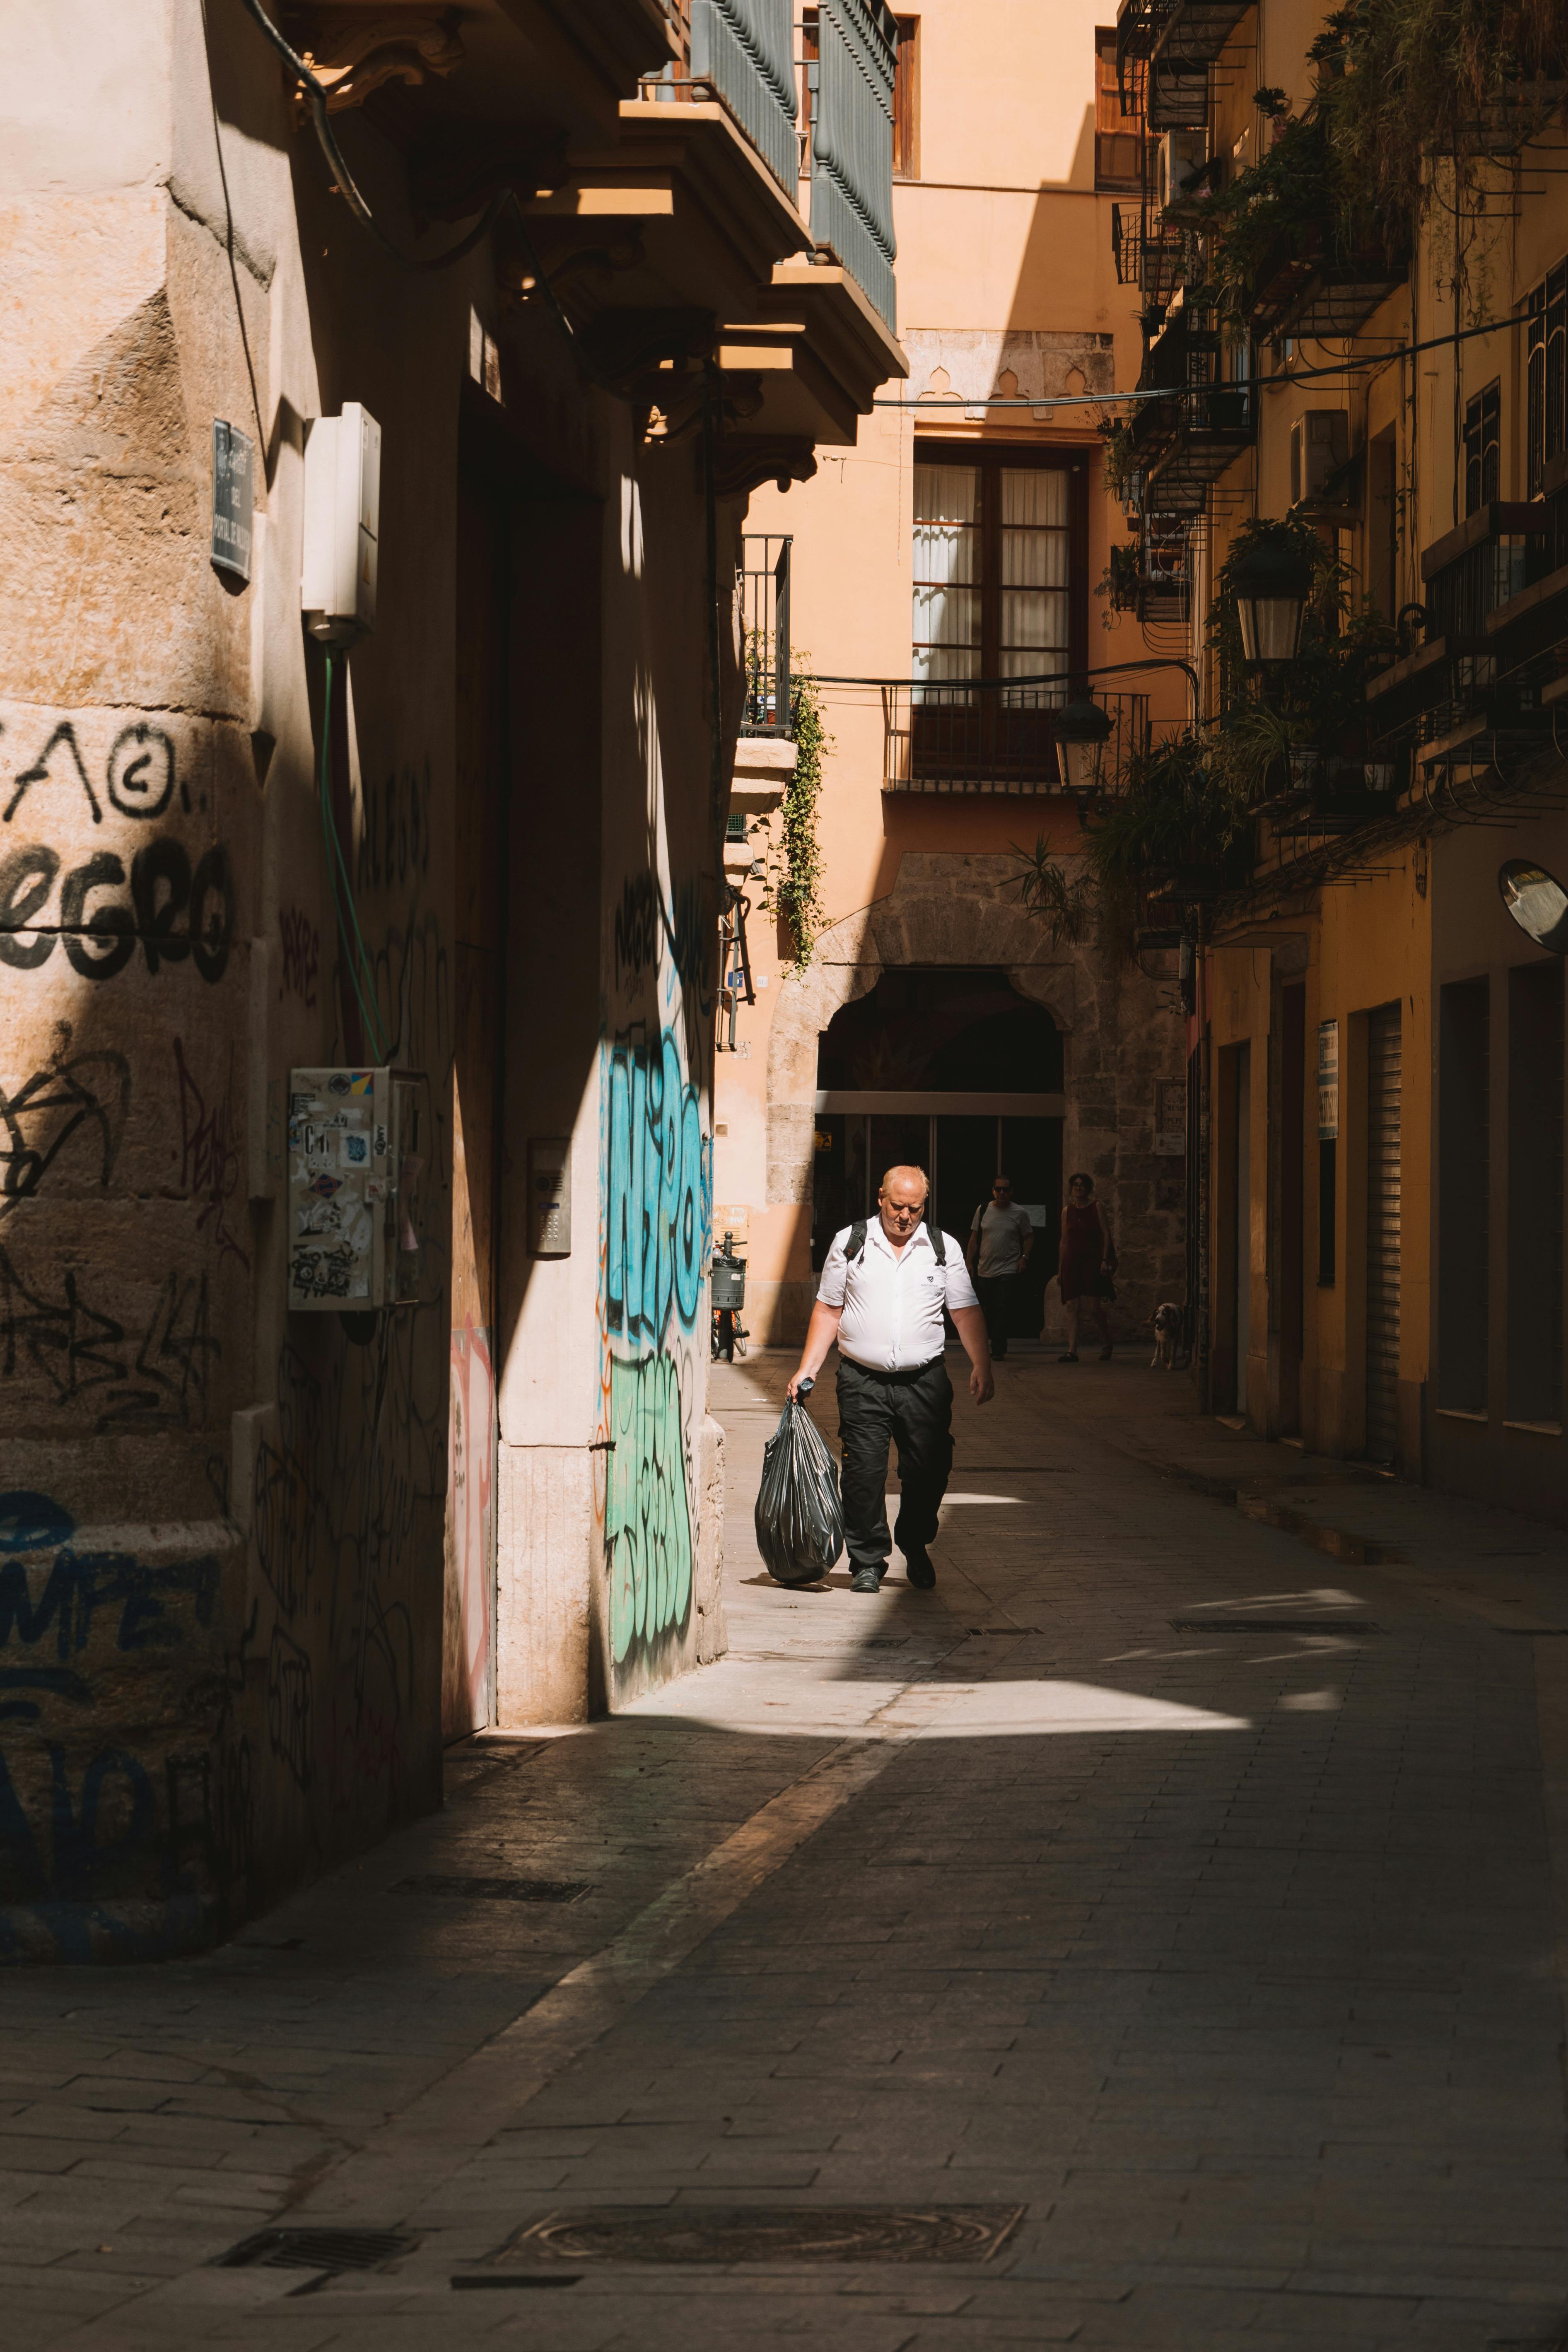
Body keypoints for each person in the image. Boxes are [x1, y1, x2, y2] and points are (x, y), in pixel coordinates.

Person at [788, 1165, 994, 1594]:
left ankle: (915, 1544)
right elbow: (829, 1309)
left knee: (930, 1469)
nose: (905, 1216)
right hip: (863, 1379)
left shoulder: (942, 1247)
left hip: (926, 1381)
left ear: (925, 1204)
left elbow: (964, 1309)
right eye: (897, 1206)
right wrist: (808, 1369)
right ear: (881, 1197)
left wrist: (982, 1364)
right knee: (864, 1472)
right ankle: (867, 1560)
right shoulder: (851, 1243)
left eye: (914, 1208)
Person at [965, 1174, 1035, 1360]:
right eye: (998, 1189)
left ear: (1011, 1192)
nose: (1002, 1193)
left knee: (1002, 1308)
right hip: (985, 1268)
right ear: (993, 1191)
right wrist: (969, 1262)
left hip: (1008, 1268)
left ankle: (998, 1349)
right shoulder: (983, 1210)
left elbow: (1029, 1237)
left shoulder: (1019, 1213)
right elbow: (974, 1238)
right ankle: (987, 1345)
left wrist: (1024, 1258)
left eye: (1006, 1190)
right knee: (987, 1309)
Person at [1057, 1170, 1117, 1363]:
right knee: (1072, 1305)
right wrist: (1060, 1269)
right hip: (1072, 1261)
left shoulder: (1096, 1207)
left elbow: (1106, 1234)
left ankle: (1107, 1343)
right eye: (1075, 1184)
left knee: (1094, 1308)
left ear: (1088, 1188)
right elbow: (1064, 1241)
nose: (1078, 1188)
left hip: (1092, 1261)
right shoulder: (1067, 1211)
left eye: (1082, 1185)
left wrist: (1105, 1259)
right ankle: (1072, 1350)